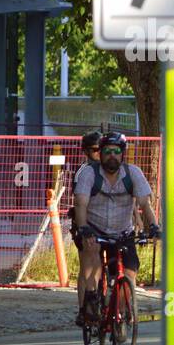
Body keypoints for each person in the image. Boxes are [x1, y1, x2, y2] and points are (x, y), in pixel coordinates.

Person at [72, 132, 160, 327]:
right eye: (107, 151)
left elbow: (145, 203)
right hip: (94, 228)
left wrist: (154, 225)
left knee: (129, 272)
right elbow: (81, 204)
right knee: (92, 254)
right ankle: (92, 297)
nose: (112, 155)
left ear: (123, 154)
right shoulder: (88, 173)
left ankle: (120, 311)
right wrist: (84, 228)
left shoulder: (133, 173)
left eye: (116, 151)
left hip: (122, 231)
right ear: (100, 154)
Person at [70, 130, 104, 313]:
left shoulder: (111, 168)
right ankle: (84, 309)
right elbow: (79, 201)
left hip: (108, 224)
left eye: (102, 149)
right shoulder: (83, 171)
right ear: (85, 152)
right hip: (86, 223)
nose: (99, 153)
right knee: (87, 265)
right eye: (94, 150)